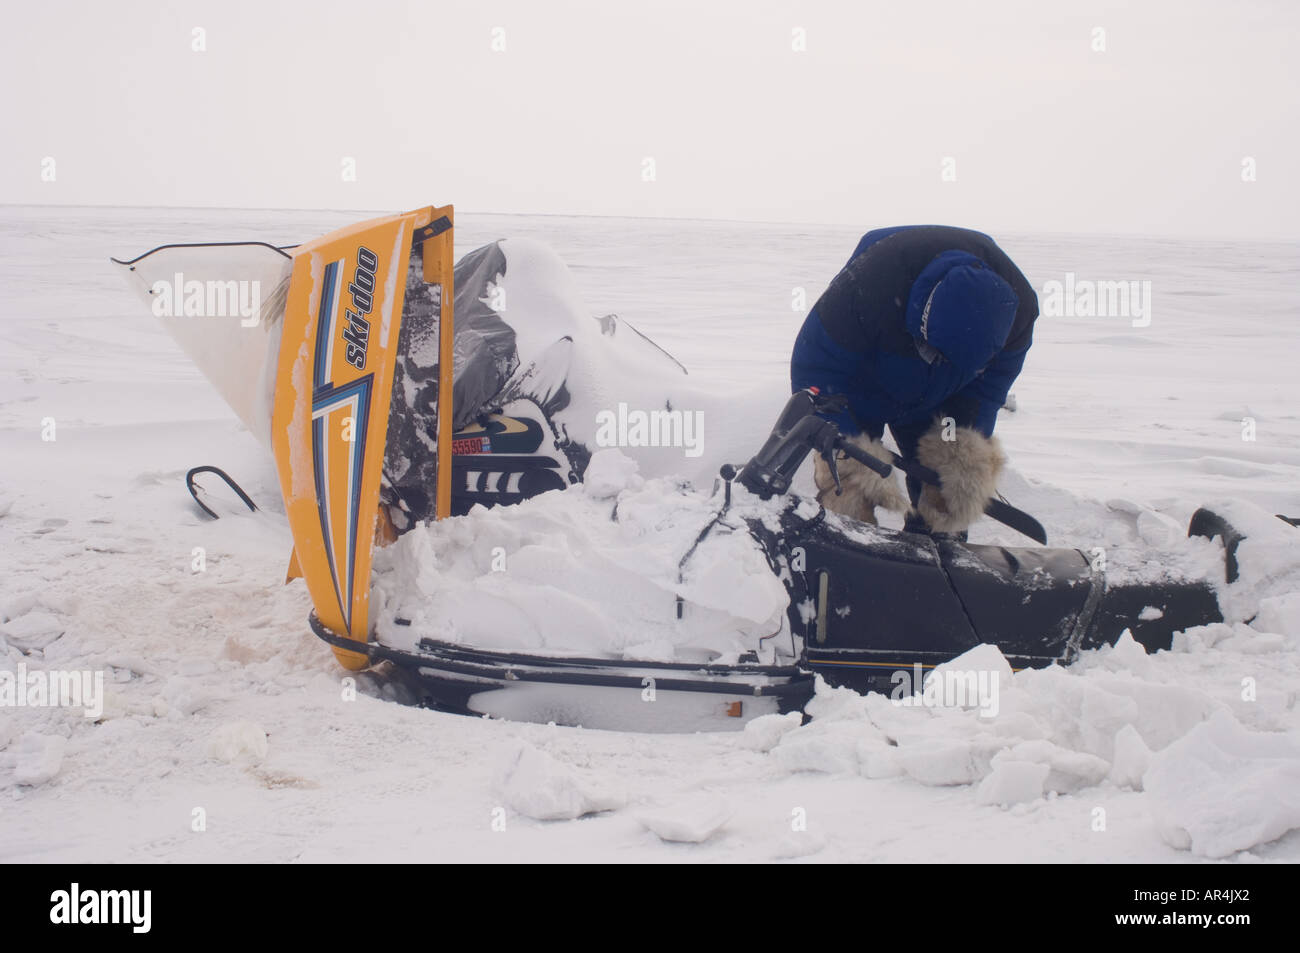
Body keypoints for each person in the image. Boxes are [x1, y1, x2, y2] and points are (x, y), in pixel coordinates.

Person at [791, 225, 1039, 534]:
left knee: (953, 486)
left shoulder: (1019, 314)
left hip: (943, 398)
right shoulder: (862, 293)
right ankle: (848, 550)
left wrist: (962, 446)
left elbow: (986, 394)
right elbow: (816, 369)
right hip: (857, 391)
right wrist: (845, 439)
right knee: (849, 485)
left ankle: (936, 554)